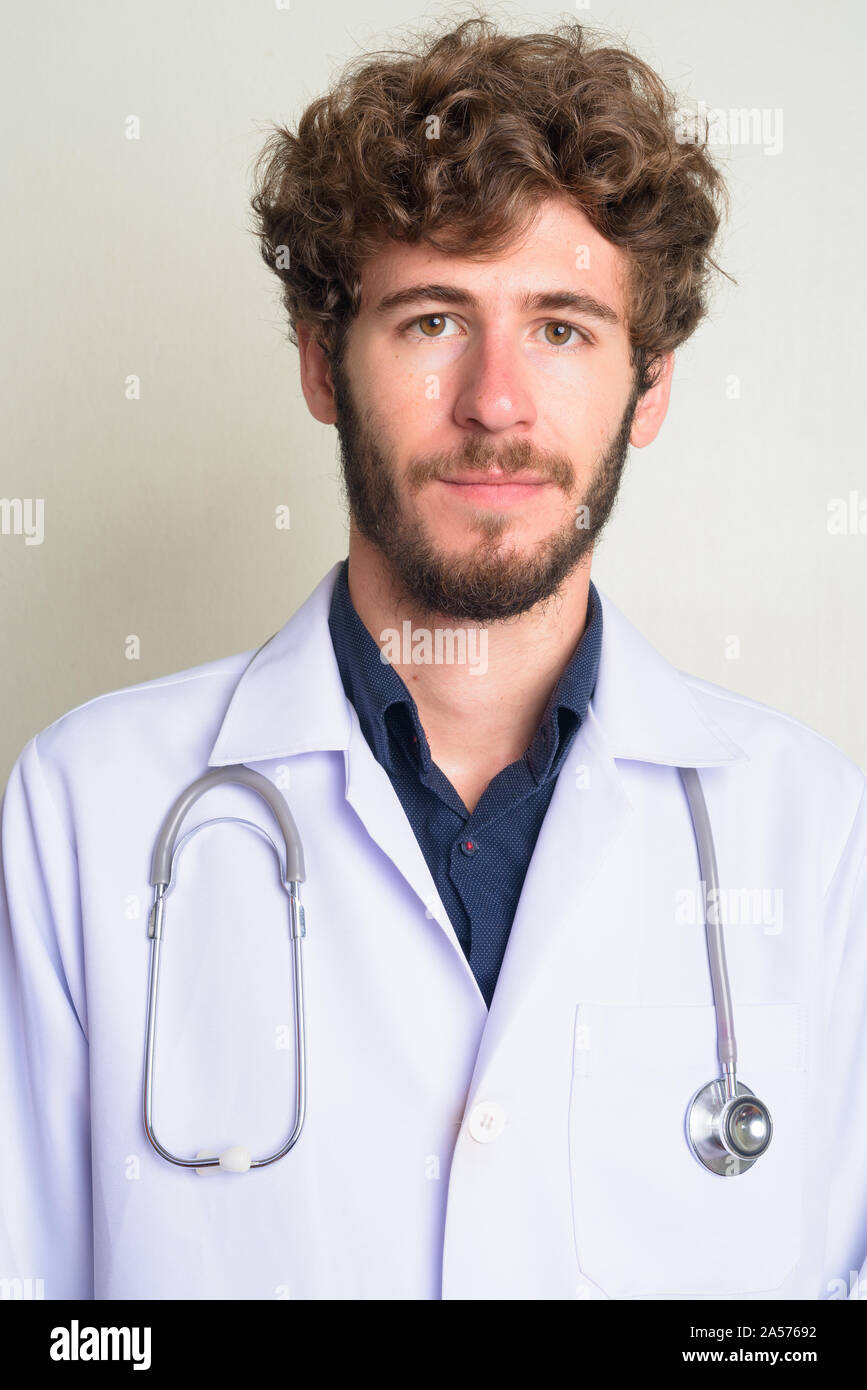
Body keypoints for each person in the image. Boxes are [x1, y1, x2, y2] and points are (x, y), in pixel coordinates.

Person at [1, 15, 865, 1302]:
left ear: (653, 385)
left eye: (564, 327)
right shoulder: (87, 811)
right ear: (321, 364)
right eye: (430, 322)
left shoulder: (813, 833)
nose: (497, 402)